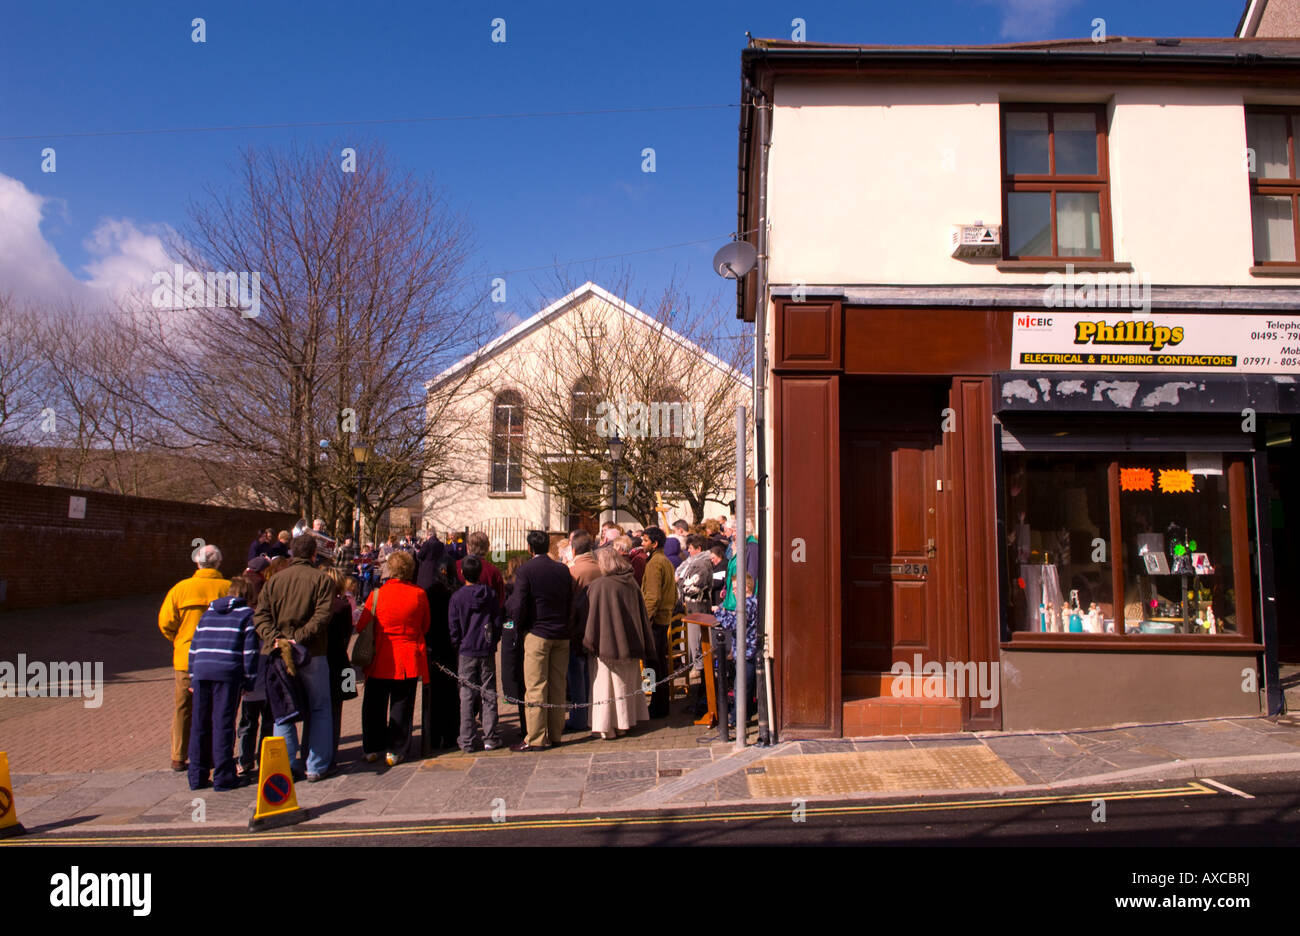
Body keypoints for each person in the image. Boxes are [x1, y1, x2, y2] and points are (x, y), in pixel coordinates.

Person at [253, 533, 336, 782]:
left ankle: (285, 765)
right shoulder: (321, 580)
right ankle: (316, 765)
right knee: (320, 707)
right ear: (314, 554)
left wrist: (277, 638)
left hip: (279, 652)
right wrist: (298, 638)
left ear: (292, 553)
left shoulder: (274, 580)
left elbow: (260, 616)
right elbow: (323, 616)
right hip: (312, 652)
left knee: (283, 710)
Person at [158, 544, 231, 772]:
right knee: (216, 707)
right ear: (218, 563)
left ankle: (178, 756)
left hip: (187, 657)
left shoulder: (180, 589)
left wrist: (179, 640)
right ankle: (210, 754)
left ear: (197, 564)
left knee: (183, 708)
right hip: (220, 656)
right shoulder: (228, 589)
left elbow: (165, 623)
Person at [354, 550, 430, 766]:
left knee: (373, 706)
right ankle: (395, 749)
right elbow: (425, 625)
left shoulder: (377, 594)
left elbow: (362, 625)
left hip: (380, 657)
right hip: (406, 657)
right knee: (401, 706)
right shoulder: (418, 594)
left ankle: (371, 747)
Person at [186, 576, 259, 791]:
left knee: (199, 724)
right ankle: (223, 776)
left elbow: (194, 645)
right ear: (248, 596)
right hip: (228, 672)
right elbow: (250, 652)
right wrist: (249, 680)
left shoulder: (208, 614)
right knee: (223, 724)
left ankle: (197, 777)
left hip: (201, 671)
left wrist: (192, 675)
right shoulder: (247, 615)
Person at [507, 529, 574, 752]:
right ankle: (555, 733)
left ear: (530, 548)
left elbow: (518, 603)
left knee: (535, 686)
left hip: (538, 632)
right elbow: (570, 600)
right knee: (557, 685)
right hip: (561, 633)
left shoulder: (526, 570)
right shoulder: (562, 570)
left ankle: (536, 737)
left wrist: (519, 626)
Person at [584, 547, 658, 740]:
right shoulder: (630, 582)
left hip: (607, 644)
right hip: (630, 643)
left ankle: (607, 726)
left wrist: (588, 641)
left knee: (606, 686)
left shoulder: (600, 585)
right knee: (624, 684)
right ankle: (625, 723)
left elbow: (593, 618)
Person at [448, 555, 503, 753]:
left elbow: (454, 626)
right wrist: (493, 639)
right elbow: (497, 620)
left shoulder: (458, 597)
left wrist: (457, 643)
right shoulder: (490, 594)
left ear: (462, 574)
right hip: (485, 646)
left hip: (467, 649)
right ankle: (490, 736)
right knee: (488, 692)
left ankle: (467, 739)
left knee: (467, 694)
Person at [422, 554, 461, 752]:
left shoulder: (430, 592)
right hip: (452, 647)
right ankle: (451, 734)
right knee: (452, 694)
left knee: (436, 695)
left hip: (436, 647)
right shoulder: (458, 591)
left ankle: (435, 735)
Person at [565, 529, 601, 734]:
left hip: (578, 627)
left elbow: (570, 601)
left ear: (573, 548)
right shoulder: (600, 567)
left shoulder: (575, 570)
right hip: (597, 625)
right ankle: (592, 713)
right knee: (591, 671)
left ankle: (579, 718)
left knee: (577, 673)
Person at [323, 568, 360, 767]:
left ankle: (317, 753)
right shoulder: (343, 606)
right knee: (338, 707)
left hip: (322, 661)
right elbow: (348, 633)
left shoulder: (318, 605)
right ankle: (332, 752)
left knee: (320, 708)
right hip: (342, 661)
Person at [640, 527, 677, 718]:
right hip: (663, 618)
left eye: (645, 540)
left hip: (655, 621)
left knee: (653, 664)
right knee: (658, 663)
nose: (642, 543)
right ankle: (659, 701)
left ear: (654, 544)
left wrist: (644, 621)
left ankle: (656, 703)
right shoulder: (665, 561)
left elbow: (652, 597)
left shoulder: (655, 563)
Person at [675, 534, 715, 674]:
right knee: (691, 638)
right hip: (691, 607)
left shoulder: (702, 564)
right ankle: (695, 664)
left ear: (698, 549)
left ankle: (700, 667)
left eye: (691, 548)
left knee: (698, 638)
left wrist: (679, 582)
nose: (689, 551)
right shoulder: (692, 562)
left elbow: (693, 586)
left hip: (699, 606)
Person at [500, 555, 529, 738]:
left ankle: (526, 726)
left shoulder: (509, 590)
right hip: (522, 634)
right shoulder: (519, 588)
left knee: (518, 680)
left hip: (512, 636)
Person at [455, 531, 506, 611]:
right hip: (486, 618)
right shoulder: (493, 571)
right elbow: (500, 600)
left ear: (468, 547)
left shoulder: (456, 566)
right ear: (487, 548)